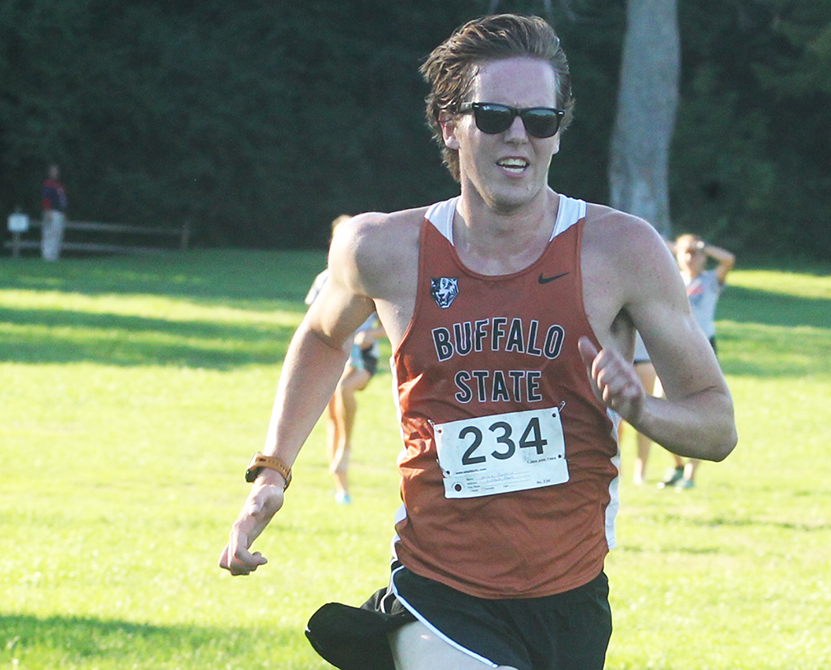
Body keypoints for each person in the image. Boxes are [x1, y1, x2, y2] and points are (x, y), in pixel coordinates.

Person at [219, 14, 737, 670]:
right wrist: (274, 469)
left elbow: (717, 428)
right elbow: (323, 336)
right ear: (450, 126)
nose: (517, 135)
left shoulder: (622, 250)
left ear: (556, 133)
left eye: (539, 119)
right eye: (493, 116)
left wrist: (643, 411)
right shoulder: (382, 248)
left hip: (567, 602)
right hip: (436, 589)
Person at [658, 233, 736, 490]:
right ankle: (678, 465)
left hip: (703, 349)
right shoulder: (670, 279)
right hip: (673, 348)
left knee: (699, 409)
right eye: (686, 253)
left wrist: (705, 246)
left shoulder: (710, 281)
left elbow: (728, 260)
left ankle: (690, 474)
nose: (691, 257)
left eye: (696, 253)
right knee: (658, 404)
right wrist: (675, 247)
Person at [305, 265, 386, 504]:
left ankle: (346, 446)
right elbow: (312, 321)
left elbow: (391, 323)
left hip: (362, 355)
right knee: (332, 417)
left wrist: (370, 336)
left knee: (344, 389)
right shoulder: (324, 279)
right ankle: (342, 488)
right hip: (334, 353)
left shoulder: (368, 279)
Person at [620, 333, 658, 485]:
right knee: (614, 419)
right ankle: (617, 468)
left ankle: (641, 472)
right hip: (617, 358)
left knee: (644, 418)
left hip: (645, 358)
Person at [41, 164, 67, 261]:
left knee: (58, 235)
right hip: (52, 212)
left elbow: (62, 200)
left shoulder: (59, 185)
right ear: (49, 173)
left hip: (59, 213)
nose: (55, 173)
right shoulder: (48, 184)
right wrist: (47, 211)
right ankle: (47, 257)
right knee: (50, 234)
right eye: (53, 171)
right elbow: (46, 198)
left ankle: (54, 256)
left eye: (56, 171)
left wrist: (64, 212)